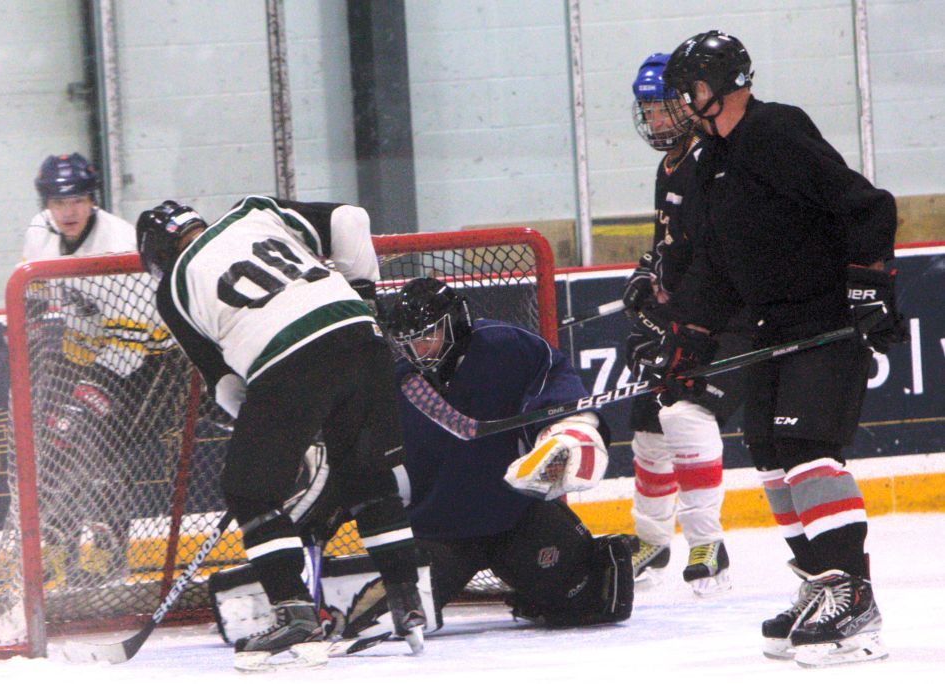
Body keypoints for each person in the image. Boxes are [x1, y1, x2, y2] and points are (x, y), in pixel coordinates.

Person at [629, 30, 906, 666]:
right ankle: (820, 584)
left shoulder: (777, 131)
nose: (682, 101)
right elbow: (713, 265)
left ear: (721, 85)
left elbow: (866, 207)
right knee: (771, 456)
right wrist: (688, 335)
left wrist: (869, 285)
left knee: (808, 450)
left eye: (690, 88)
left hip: (821, 320)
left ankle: (853, 597)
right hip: (766, 329)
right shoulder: (710, 162)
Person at [136, 196, 426, 670]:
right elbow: (350, 218)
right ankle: (405, 599)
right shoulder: (253, 212)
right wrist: (364, 295)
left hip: (288, 361)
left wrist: (278, 430)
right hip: (362, 337)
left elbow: (229, 387)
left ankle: (295, 615)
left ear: (156, 257)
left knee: (248, 490)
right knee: (366, 474)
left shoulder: (173, 289)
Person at [381, 277, 634, 627]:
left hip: (516, 518)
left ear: (455, 323)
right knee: (391, 621)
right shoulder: (395, 383)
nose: (417, 350)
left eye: (427, 336)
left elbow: (555, 387)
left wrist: (568, 430)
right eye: (408, 341)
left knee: (591, 599)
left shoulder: (507, 347)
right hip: (436, 533)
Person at [622, 53, 749, 596]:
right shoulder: (670, 165)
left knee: (685, 412)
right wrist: (646, 274)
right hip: (688, 312)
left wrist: (683, 310)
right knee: (647, 419)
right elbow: (671, 245)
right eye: (646, 110)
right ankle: (652, 539)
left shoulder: (708, 161)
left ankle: (707, 543)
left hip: (728, 318)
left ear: (687, 105)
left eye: (661, 108)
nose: (653, 120)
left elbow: (718, 250)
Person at [23, 153, 169, 587]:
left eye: (78, 200)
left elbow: (132, 343)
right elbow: (33, 298)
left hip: (147, 363)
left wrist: (89, 395)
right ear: (47, 204)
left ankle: (108, 557)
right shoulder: (39, 231)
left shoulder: (119, 243)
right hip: (82, 355)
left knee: (103, 451)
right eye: (58, 201)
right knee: (51, 450)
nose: (68, 211)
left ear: (92, 200)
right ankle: (57, 551)